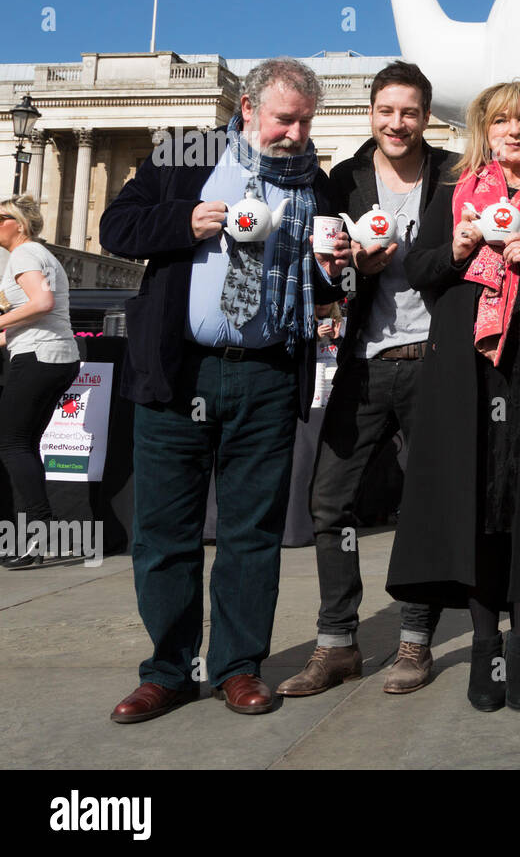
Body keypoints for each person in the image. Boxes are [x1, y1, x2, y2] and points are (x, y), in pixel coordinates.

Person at [99, 57, 350, 723]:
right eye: (283, 119)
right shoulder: (186, 159)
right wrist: (185, 221)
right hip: (181, 371)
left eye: (304, 122)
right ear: (247, 109)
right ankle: (168, 670)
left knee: (251, 532)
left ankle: (239, 666)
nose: (294, 134)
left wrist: (341, 269)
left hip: (266, 373)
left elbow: (324, 287)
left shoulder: (314, 186)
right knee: (163, 530)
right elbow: (115, 228)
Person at [385, 80, 520, 713]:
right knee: (477, 506)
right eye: (501, 120)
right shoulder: (454, 197)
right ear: (484, 130)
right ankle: (488, 646)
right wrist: (455, 250)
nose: (513, 130)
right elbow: (419, 271)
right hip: (468, 373)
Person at [277, 61, 453, 700]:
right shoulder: (342, 182)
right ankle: (337, 643)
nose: (397, 123)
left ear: (425, 117)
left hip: (437, 359)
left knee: (427, 504)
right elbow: (321, 279)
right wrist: (359, 270)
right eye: (386, 111)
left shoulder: (455, 177)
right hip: (362, 361)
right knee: (330, 501)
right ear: (372, 114)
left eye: (409, 112)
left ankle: (415, 639)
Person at [0, 195, 81, 570]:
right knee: (24, 446)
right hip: (55, 356)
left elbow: (43, 302)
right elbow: (35, 315)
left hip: (40, 358)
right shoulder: (39, 254)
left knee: (12, 444)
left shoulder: (25, 254)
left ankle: (40, 536)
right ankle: (41, 538)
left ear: (18, 224)